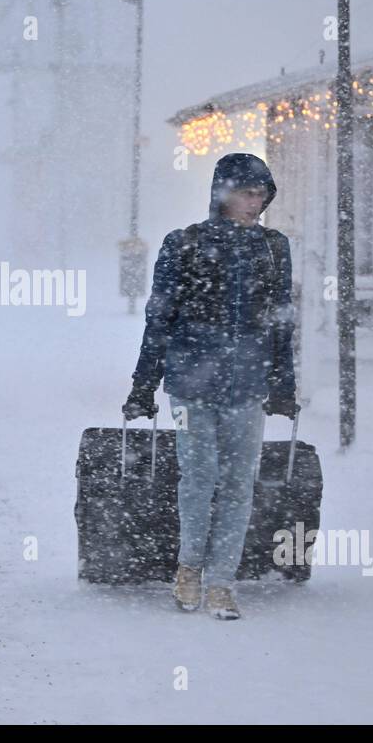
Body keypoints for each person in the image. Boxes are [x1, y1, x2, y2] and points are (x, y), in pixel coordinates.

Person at [123, 153, 297, 620]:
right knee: (197, 478)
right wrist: (144, 384)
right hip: (188, 385)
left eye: (261, 195)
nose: (254, 204)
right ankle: (189, 569)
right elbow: (158, 318)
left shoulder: (273, 248)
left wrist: (283, 382)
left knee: (240, 483)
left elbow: (282, 320)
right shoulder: (184, 245)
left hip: (248, 385)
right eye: (246, 193)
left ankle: (222, 580)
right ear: (222, 193)